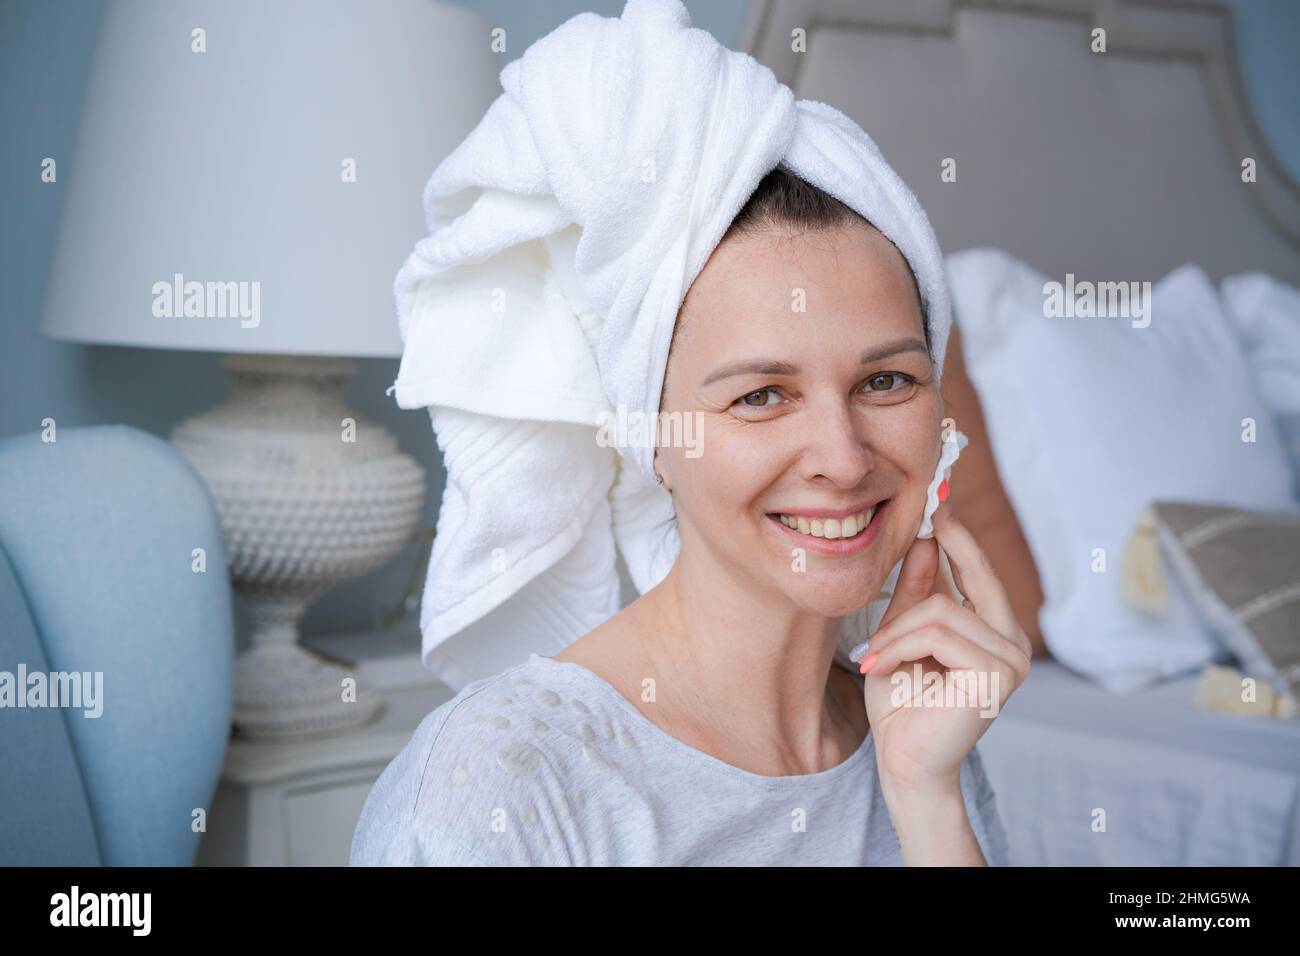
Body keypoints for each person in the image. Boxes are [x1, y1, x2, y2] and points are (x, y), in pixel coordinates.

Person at [350, 166, 1032, 866]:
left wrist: (925, 798)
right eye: (763, 395)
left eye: (885, 381)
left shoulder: (921, 735)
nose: (845, 459)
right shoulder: (501, 784)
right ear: (655, 445)